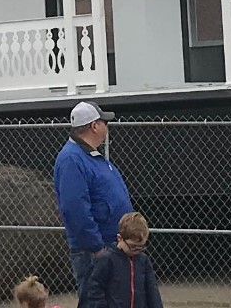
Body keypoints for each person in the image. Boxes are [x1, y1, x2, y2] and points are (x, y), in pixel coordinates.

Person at [54, 101, 134, 294]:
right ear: (94, 126)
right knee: (97, 299)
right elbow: (75, 209)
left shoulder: (89, 155)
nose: (107, 126)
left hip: (110, 245)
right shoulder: (72, 160)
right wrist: (97, 247)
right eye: (103, 122)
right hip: (96, 251)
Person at [79, 212, 163, 308]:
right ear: (120, 238)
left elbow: (152, 291)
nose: (136, 251)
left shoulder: (143, 261)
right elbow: (94, 289)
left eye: (140, 247)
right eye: (132, 246)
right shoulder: (106, 260)